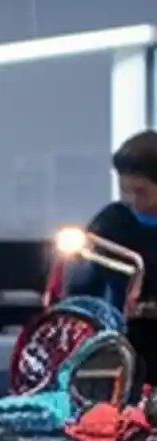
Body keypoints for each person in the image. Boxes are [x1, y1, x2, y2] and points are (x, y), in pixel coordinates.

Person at [71, 130, 157, 384]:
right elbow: (85, 283)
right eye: (124, 190)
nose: (131, 200)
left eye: (141, 191)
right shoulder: (112, 223)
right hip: (126, 344)